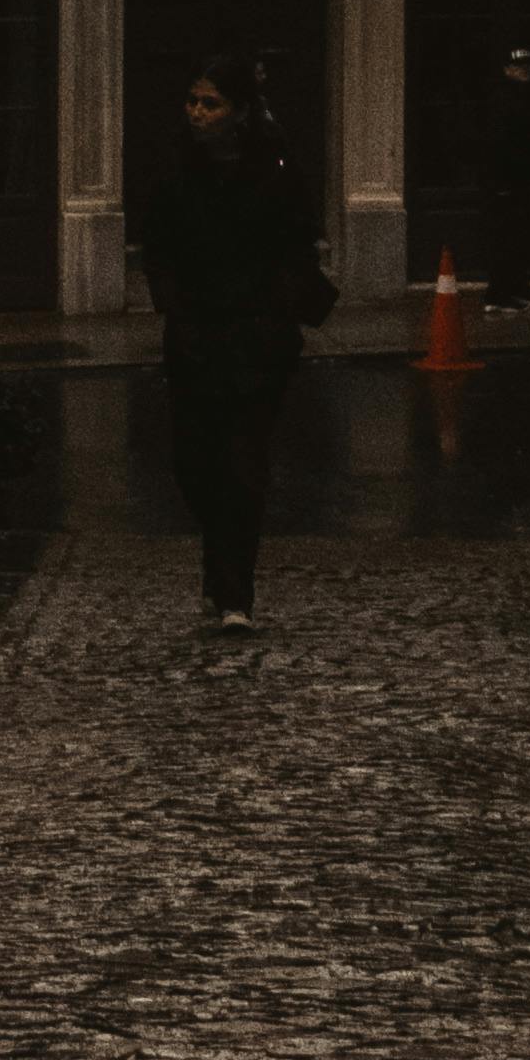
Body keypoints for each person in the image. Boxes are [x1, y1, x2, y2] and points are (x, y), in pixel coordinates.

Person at [129, 50, 327, 636]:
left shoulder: (276, 172)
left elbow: (299, 244)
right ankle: (221, 562)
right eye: (192, 101)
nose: (196, 113)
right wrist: (173, 303)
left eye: (210, 103)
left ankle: (235, 589)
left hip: (257, 335)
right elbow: (157, 244)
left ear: (239, 112)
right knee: (192, 463)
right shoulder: (175, 171)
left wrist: (278, 310)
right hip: (195, 334)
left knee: (243, 465)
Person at [482, 43, 530, 314]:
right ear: (506, 70)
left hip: (520, 180)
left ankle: (517, 286)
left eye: (528, 66)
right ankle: (499, 293)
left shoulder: (523, 97)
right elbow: (498, 143)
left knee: (520, 235)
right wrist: (500, 182)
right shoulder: (502, 99)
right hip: (505, 182)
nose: (525, 70)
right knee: (504, 238)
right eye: (518, 66)